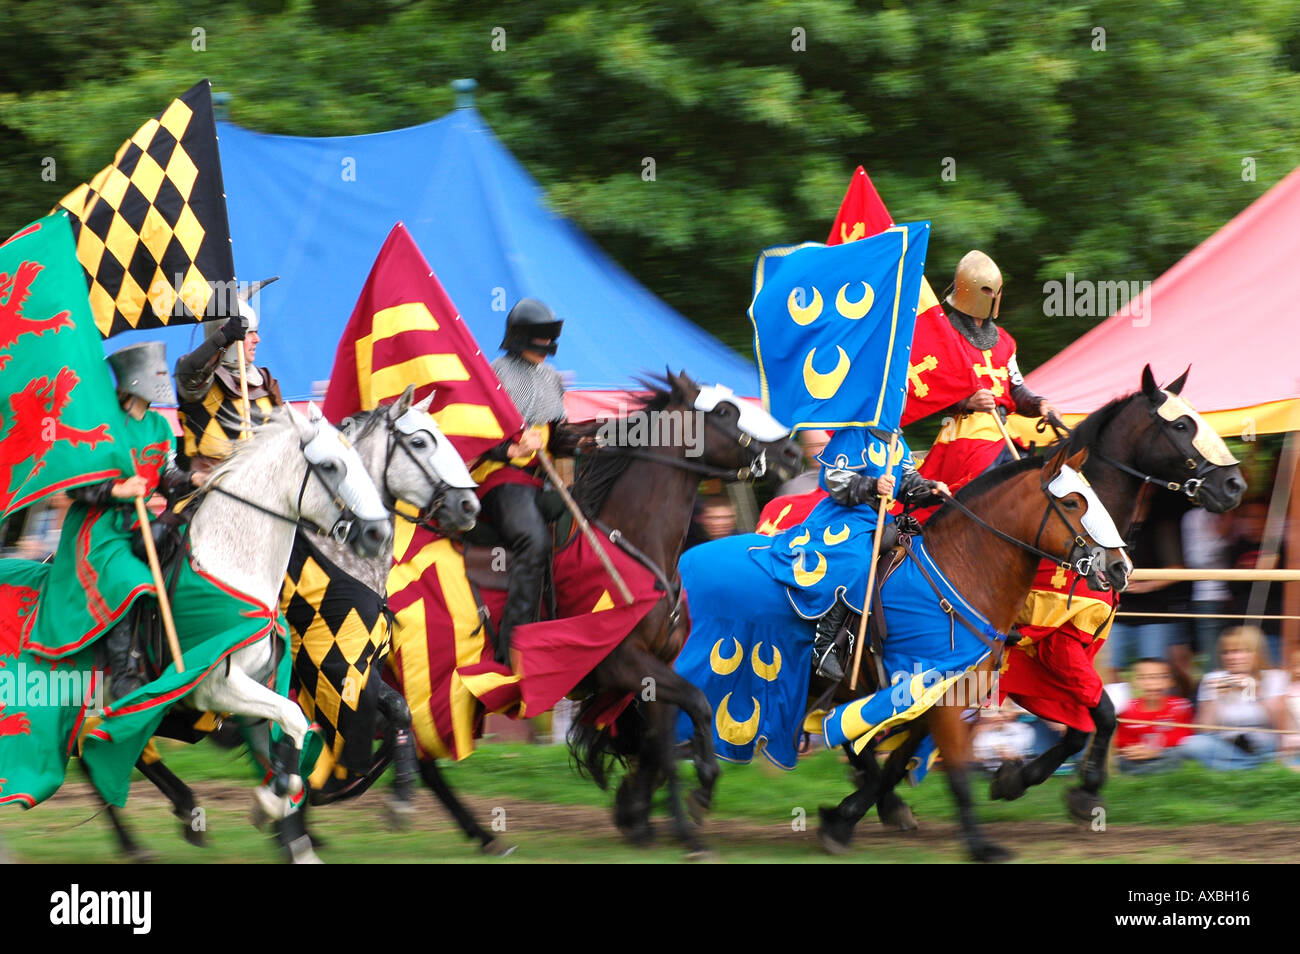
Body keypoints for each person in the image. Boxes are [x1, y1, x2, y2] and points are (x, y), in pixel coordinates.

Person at [20, 342, 201, 698]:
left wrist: (189, 480)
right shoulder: (103, 426)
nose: (163, 379)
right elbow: (73, 486)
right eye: (157, 372)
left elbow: (168, 475)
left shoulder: (159, 428)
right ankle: (124, 675)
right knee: (130, 580)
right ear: (136, 378)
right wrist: (116, 490)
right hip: (98, 531)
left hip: (141, 525)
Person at [757, 427, 947, 681]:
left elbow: (909, 483)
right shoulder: (853, 435)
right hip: (847, 517)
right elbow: (833, 479)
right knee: (857, 561)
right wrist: (872, 484)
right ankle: (825, 642)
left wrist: (930, 490)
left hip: (882, 519)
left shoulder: (896, 441)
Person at [471, 298, 580, 665]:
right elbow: (473, 434)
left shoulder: (551, 378)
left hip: (541, 481)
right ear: (520, 340)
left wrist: (583, 442)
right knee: (532, 541)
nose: (546, 351)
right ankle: (511, 647)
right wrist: (511, 450)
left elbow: (559, 432)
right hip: (500, 478)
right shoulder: (494, 374)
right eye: (539, 343)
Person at [918, 251, 1056, 493]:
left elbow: (1015, 388)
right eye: (986, 290)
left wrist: (1039, 404)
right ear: (968, 290)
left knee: (1035, 486)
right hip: (966, 433)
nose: (993, 297)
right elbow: (929, 388)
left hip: (1004, 431)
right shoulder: (945, 336)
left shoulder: (1004, 340)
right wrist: (966, 401)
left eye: (995, 291)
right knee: (986, 491)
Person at [174, 278, 283, 476]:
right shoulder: (198, 376)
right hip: (209, 487)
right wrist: (224, 339)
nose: (257, 339)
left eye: (256, 332)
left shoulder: (265, 380)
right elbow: (191, 374)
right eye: (249, 333)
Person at [1177, 626, 1289, 769]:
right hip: (1228, 743)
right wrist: (1215, 697)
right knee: (1192, 745)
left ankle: (1237, 767)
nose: (1232, 657)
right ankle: (1257, 766)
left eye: (1240, 651)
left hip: (1267, 741)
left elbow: (1283, 726)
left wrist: (1255, 692)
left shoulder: (1275, 677)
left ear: (1257, 652)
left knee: (1284, 743)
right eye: (1226, 652)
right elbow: (1205, 730)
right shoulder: (1212, 679)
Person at [1115, 658, 1193, 773]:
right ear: (1135, 682)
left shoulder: (1180, 706)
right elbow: (1121, 742)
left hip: (1166, 754)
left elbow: (1183, 737)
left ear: (1171, 681)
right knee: (1120, 761)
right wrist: (1134, 751)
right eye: (1144, 677)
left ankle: (1142, 772)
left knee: (1179, 754)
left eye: (1161, 676)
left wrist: (1154, 751)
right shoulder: (1127, 709)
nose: (1152, 683)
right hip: (1138, 758)